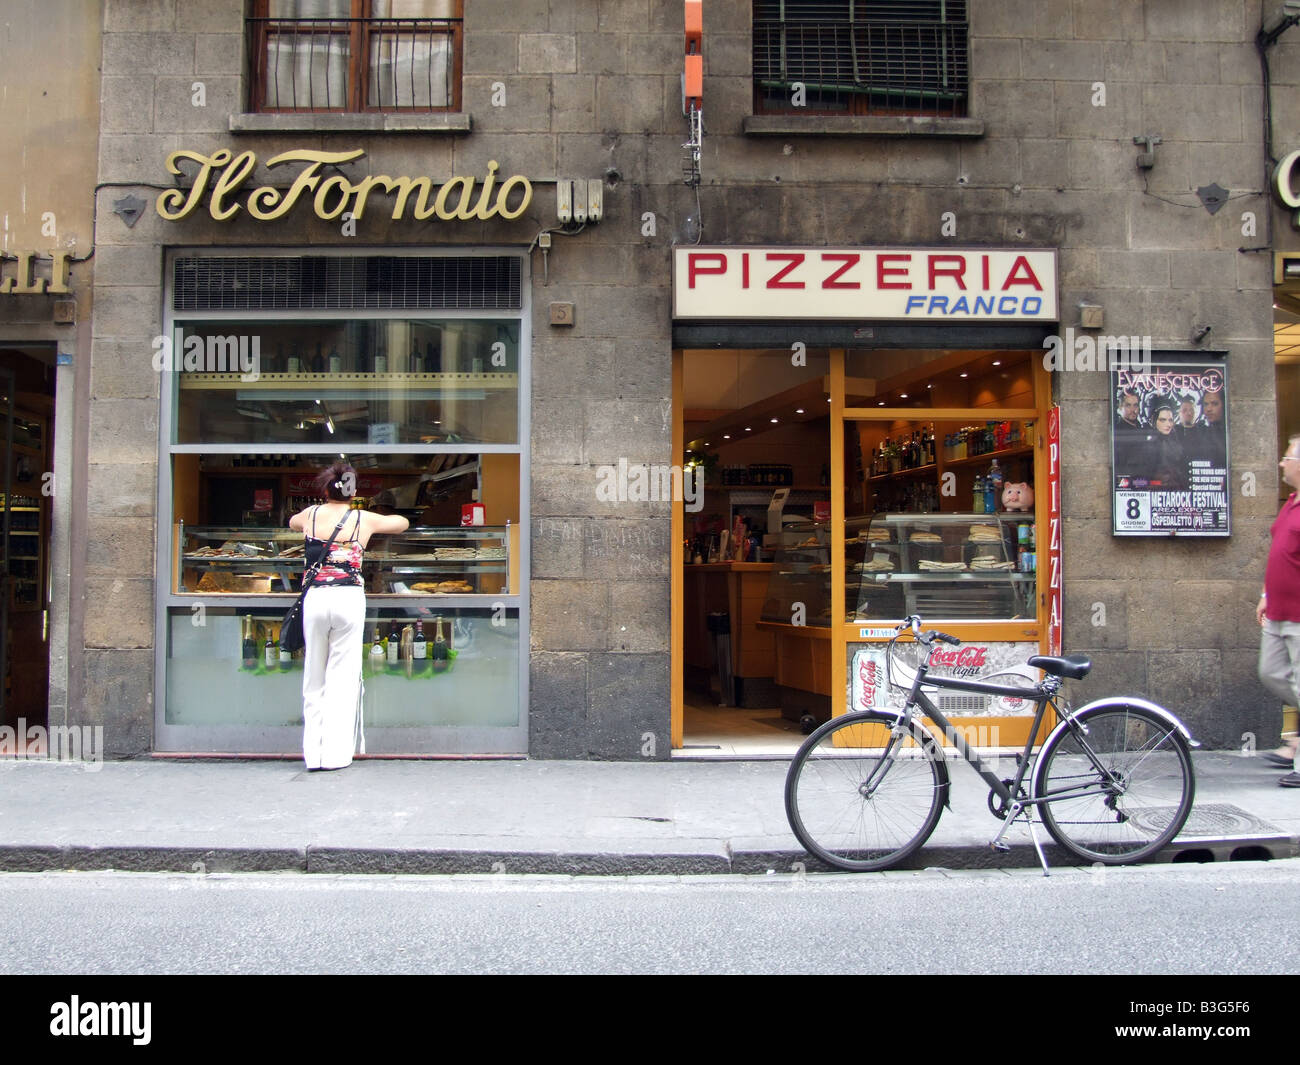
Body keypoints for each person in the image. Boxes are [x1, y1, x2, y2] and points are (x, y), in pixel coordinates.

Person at [288, 461, 409, 771]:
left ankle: (312, 755)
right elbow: (402, 523)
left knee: (314, 675)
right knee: (343, 677)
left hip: (315, 598)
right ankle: (336, 756)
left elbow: (292, 522)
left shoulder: (310, 516)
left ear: (325, 489)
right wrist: (372, 514)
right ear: (353, 491)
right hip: (348, 598)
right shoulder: (362, 519)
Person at [1257, 434, 1300, 786]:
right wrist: (1265, 593)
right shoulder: (1290, 503)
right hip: (1278, 611)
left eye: (1288, 458)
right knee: (1270, 671)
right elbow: (1280, 554)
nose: (1282, 463)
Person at [1138, 403, 1187, 490]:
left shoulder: (1177, 444)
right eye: (1163, 420)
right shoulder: (1146, 446)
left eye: (1170, 420)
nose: (1168, 424)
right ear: (1154, 421)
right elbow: (1138, 480)